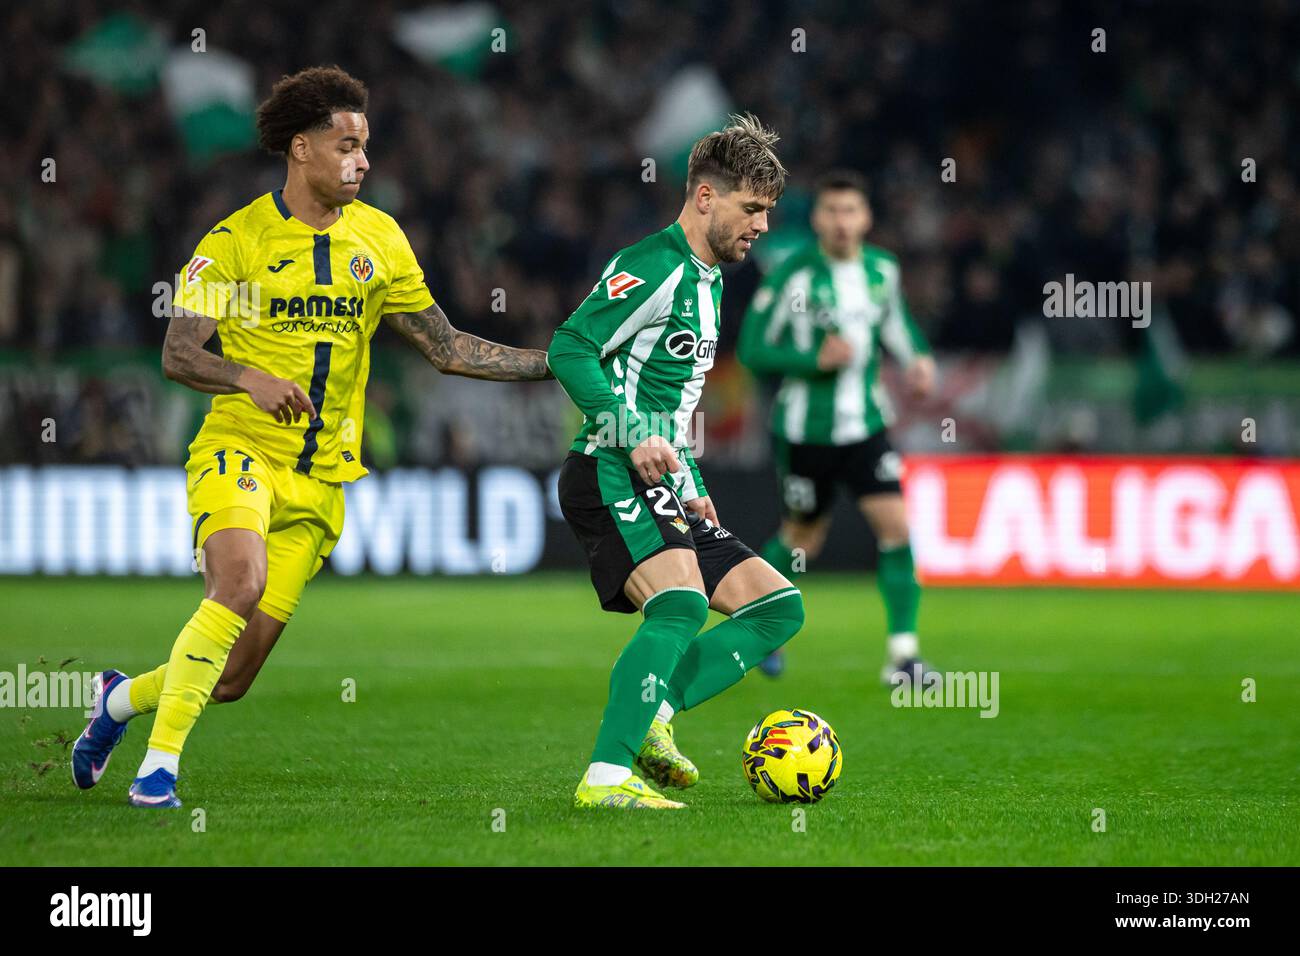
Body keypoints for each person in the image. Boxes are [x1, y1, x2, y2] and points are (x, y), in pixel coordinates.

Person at [72, 66, 550, 808]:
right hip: (240, 448)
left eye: (366, 146)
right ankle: (158, 770)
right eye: (348, 145)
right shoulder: (234, 241)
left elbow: (447, 346)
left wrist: (553, 363)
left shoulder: (381, 240)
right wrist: (249, 379)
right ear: (301, 149)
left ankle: (118, 702)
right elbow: (178, 352)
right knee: (239, 582)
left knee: (228, 679)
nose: (363, 161)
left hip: (322, 483)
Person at [548, 114, 805, 810]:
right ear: (704, 198)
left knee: (777, 607)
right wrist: (630, 432)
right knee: (682, 604)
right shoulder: (653, 264)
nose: (761, 226)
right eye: (751, 209)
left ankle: (655, 716)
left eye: (767, 212)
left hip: (659, 475)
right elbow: (569, 348)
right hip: (608, 464)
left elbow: (672, 398)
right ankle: (606, 777)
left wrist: (690, 484)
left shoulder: (710, 281)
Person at [737, 170, 936, 684]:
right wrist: (810, 358)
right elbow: (752, 349)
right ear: (817, 218)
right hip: (806, 432)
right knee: (804, 539)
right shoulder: (791, 276)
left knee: (896, 528)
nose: (842, 222)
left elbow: (898, 325)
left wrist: (917, 360)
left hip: (867, 425)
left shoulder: (882, 272)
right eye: (832, 211)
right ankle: (758, 624)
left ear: (866, 217)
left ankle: (904, 657)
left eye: (851, 211)